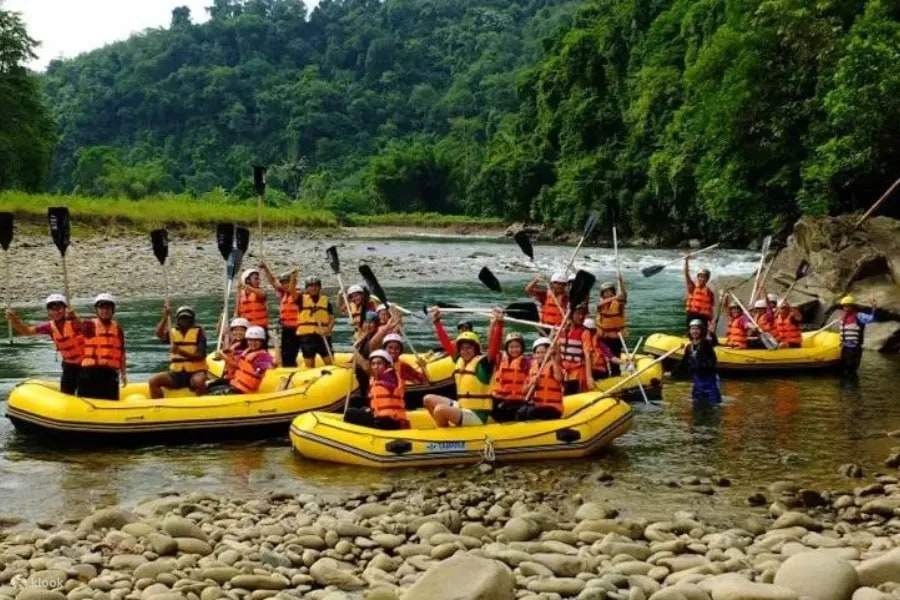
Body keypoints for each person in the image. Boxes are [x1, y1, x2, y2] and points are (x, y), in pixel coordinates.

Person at [424, 311, 501, 427]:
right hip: (462, 407)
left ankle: (445, 439)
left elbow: (494, 347)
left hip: (478, 414)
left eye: (469, 348)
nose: (465, 351)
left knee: (440, 409)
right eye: (463, 349)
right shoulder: (459, 360)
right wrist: (437, 322)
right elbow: (445, 343)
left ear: (475, 348)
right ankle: (445, 427)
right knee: (428, 399)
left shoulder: (484, 364)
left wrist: (499, 324)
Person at [6, 294, 84, 394]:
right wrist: (14, 320)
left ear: (65, 309)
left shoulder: (74, 323)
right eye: (53, 309)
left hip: (85, 364)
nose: (56, 311)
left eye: (59, 308)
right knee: (66, 391)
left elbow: (88, 330)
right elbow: (27, 331)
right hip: (69, 365)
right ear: (49, 311)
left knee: (85, 391)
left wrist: (76, 318)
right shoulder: (49, 327)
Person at [148, 303, 208, 398]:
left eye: (187, 318)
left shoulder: (199, 332)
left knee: (199, 381)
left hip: (195, 372)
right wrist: (165, 317)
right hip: (176, 374)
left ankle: (203, 405)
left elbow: (201, 356)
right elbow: (159, 334)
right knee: (153, 381)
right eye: (182, 318)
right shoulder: (173, 332)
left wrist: (180, 352)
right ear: (178, 320)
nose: (185, 321)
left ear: (192, 319)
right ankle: (159, 407)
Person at [344, 350, 410, 430]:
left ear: (387, 365)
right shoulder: (375, 379)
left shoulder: (390, 377)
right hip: (382, 418)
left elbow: (366, 368)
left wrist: (356, 354)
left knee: (350, 413)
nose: (376, 366)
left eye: (379, 363)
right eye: (373, 364)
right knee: (355, 401)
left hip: (391, 421)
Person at [79, 293, 127, 400]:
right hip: (90, 373)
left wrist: (123, 374)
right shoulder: (88, 325)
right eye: (101, 307)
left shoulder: (118, 329)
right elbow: (76, 325)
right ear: (96, 310)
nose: (105, 311)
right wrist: (71, 316)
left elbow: (122, 353)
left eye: (108, 308)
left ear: (112, 310)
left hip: (110, 374)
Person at [261, 265, 300, 367]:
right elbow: (273, 281)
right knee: (285, 355)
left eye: (287, 282)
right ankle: (288, 367)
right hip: (286, 328)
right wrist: (266, 269)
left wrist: (293, 277)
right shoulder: (283, 294)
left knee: (291, 354)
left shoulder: (298, 294)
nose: (285, 285)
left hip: (297, 329)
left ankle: (292, 367)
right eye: (283, 283)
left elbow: (292, 290)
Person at [490, 325, 530, 422]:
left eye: (517, 347)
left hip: (516, 400)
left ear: (522, 348)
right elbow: (494, 344)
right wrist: (496, 325)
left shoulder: (526, 362)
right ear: (506, 348)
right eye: (511, 347)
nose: (514, 350)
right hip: (498, 398)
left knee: (502, 408)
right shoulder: (500, 359)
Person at [519, 337, 564, 420]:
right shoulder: (533, 368)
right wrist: (531, 383)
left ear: (549, 353)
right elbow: (524, 391)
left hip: (553, 407)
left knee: (531, 412)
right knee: (521, 411)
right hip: (538, 405)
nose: (540, 355)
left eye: (543, 352)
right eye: (537, 353)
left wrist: (553, 358)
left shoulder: (553, 365)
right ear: (534, 354)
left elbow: (559, 378)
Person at [296, 276, 334, 368]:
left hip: (322, 335)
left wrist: (328, 329)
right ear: (307, 288)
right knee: (310, 364)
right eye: (311, 286)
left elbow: (332, 319)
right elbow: (292, 291)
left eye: (316, 285)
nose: (314, 288)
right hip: (307, 337)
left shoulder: (326, 301)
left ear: (320, 287)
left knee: (329, 362)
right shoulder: (300, 299)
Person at [680, 319, 721, 404]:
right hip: (697, 380)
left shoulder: (706, 344)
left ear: (701, 330)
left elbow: (714, 343)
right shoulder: (689, 347)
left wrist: (712, 333)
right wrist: (672, 373)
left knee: (713, 403)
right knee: (697, 402)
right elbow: (684, 362)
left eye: (697, 329)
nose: (694, 331)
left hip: (709, 379)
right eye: (692, 329)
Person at [560, 304, 595, 394]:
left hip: (577, 373)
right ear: (570, 315)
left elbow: (588, 355)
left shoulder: (585, 332)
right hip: (563, 372)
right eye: (578, 314)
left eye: (583, 314)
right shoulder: (561, 330)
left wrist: (589, 377)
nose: (581, 316)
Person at [228, 326, 274, 394]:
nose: (253, 343)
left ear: (262, 342)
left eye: (256, 340)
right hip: (236, 385)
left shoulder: (263, 356)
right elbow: (237, 360)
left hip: (244, 391)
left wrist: (276, 344)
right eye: (250, 340)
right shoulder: (246, 352)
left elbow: (270, 364)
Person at [837, 295, 877, 374]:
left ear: (852, 307)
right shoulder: (843, 317)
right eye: (844, 306)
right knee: (843, 369)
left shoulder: (859, 316)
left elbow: (871, 318)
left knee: (850, 370)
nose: (846, 308)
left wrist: (874, 307)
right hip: (845, 348)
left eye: (848, 306)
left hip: (854, 349)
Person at [210, 317, 250, 390]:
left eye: (241, 330)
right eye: (235, 330)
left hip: (239, 379)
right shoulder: (235, 343)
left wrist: (224, 357)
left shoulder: (246, 346)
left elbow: (239, 365)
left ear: (247, 331)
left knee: (209, 386)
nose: (238, 332)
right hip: (231, 375)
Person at [596, 276, 627, 359]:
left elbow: (624, 295)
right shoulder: (601, 304)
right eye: (605, 292)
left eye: (610, 291)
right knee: (603, 358)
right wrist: (615, 297)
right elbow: (599, 305)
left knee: (615, 358)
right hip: (603, 337)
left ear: (613, 292)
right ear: (602, 294)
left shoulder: (619, 303)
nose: (608, 294)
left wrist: (620, 281)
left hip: (616, 337)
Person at [684, 258, 715, 329]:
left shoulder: (709, 292)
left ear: (707, 279)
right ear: (698, 278)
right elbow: (686, 275)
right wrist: (686, 262)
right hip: (692, 315)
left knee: (702, 333)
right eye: (700, 277)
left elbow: (710, 308)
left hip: (703, 317)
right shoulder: (692, 287)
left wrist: (711, 320)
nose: (702, 279)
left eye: (704, 277)